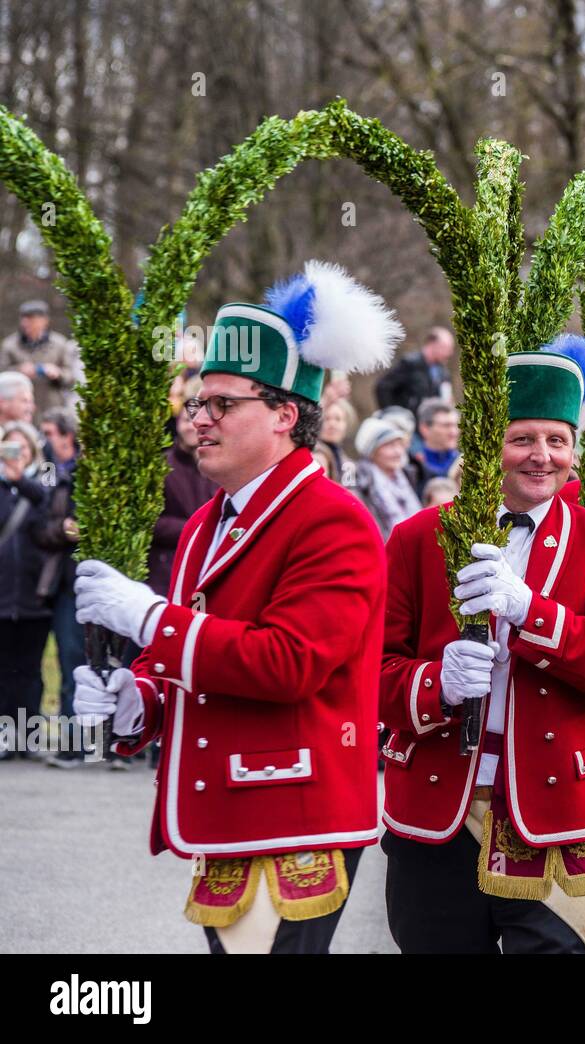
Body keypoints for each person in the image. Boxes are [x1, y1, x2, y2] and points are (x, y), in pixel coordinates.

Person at [72, 260, 398, 954]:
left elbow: (287, 663)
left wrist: (146, 617)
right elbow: (192, 663)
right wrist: (141, 700)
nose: (200, 419)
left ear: (284, 414)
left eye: (222, 403)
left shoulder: (332, 518)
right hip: (233, 808)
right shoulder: (206, 522)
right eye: (196, 403)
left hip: (297, 811)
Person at [379, 333, 585, 954]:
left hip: (556, 814)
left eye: (557, 440)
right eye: (522, 438)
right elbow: (370, 674)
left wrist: (532, 612)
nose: (542, 456)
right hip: (435, 810)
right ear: (487, 446)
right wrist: (435, 684)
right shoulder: (419, 538)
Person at [32, 408, 87, 766]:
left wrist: (80, 528)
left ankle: (83, 744)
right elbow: (39, 524)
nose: (45, 440)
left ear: (67, 435)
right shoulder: (50, 472)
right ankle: (70, 743)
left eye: (50, 432)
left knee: (78, 664)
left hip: (82, 582)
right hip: (57, 584)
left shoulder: (87, 469)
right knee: (66, 664)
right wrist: (63, 530)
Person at [0, 421, 50, 761]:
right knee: (3, 671)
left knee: (31, 671)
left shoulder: (44, 486)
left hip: (35, 596)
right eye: (9, 449)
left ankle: (28, 737)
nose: (16, 456)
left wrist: (23, 481)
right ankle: (5, 738)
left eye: (23, 449)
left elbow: (48, 522)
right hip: (2, 597)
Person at [147, 380, 219, 595]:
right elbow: (152, 521)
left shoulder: (218, 466)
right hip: (165, 569)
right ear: (178, 422)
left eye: (198, 420)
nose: (193, 426)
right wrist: (195, 529)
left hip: (205, 569)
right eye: (188, 419)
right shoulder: (162, 465)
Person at [0, 300, 79, 414]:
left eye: (31, 319)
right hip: (19, 410)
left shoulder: (59, 343)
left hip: (52, 407)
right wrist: (18, 371)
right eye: (24, 319)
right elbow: (2, 375)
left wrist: (57, 373)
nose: (26, 323)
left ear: (44, 321)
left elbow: (71, 379)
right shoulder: (10, 345)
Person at [353, 415, 422, 541]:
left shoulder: (407, 475)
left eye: (399, 445)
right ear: (372, 451)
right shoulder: (361, 484)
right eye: (389, 446)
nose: (397, 452)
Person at [375, 325, 455, 416]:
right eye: (446, 348)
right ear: (432, 344)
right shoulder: (410, 363)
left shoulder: (443, 373)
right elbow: (383, 387)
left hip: (430, 426)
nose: (450, 353)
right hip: (408, 424)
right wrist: (391, 415)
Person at [410, 398, 460, 488]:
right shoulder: (412, 466)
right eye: (446, 426)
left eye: (456, 425)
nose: (454, 432)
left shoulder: (464, 463)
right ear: (424, 428)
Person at [318, 396, 357, 485]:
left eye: (338, 419)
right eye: (326, 419)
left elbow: (351, 493)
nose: (332, 424)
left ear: (346, 425)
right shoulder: (312, 457)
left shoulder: (348, 465)